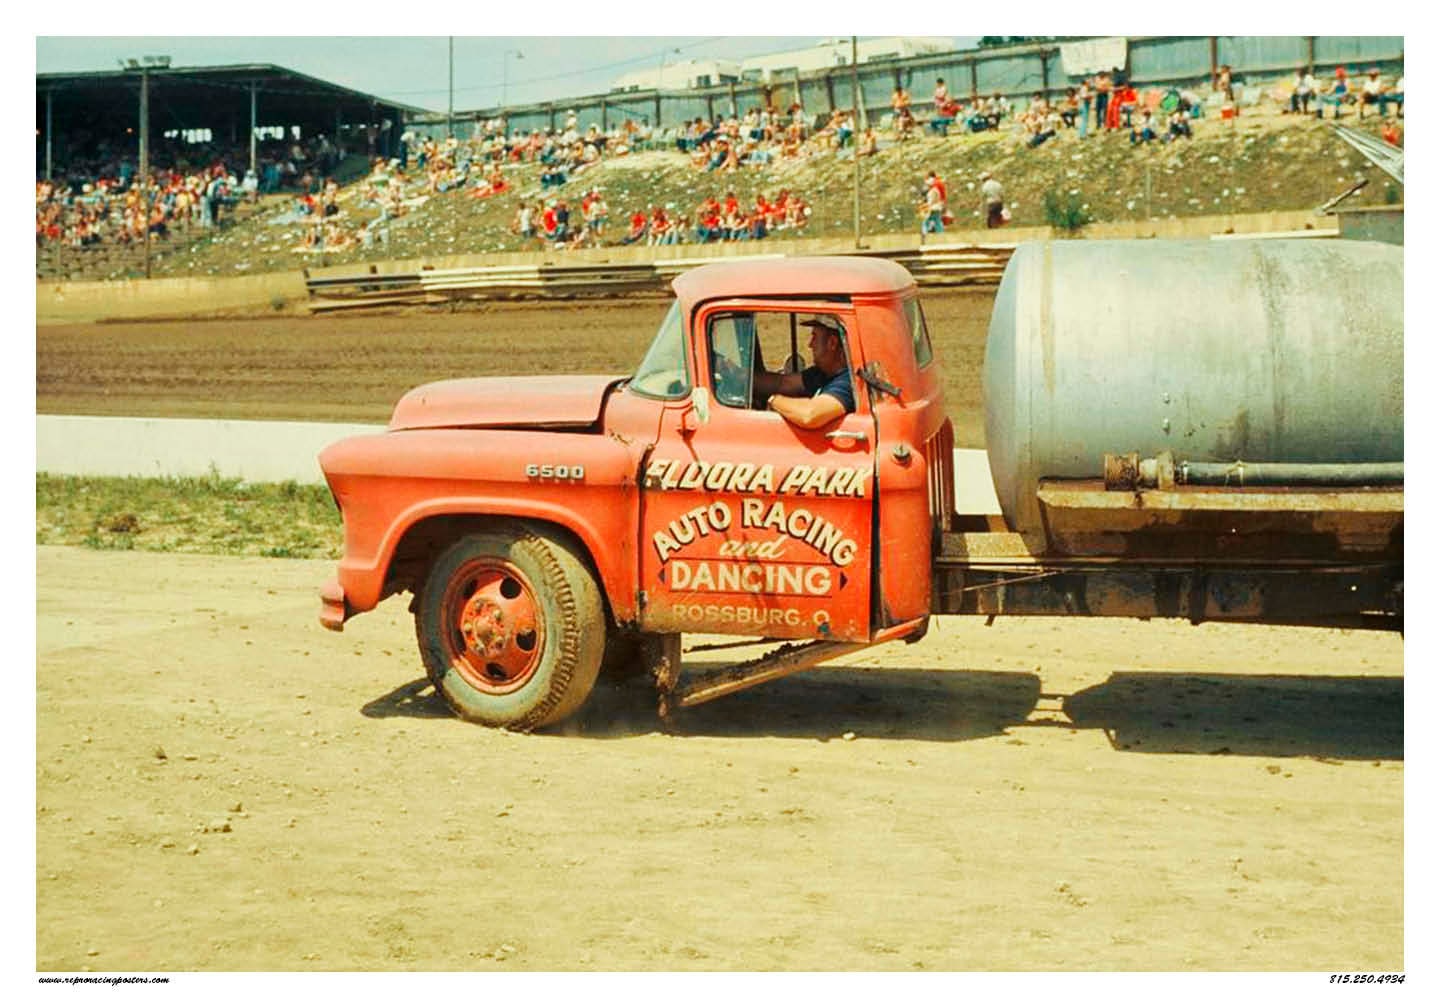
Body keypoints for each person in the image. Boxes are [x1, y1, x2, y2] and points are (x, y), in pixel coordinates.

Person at [750, 316, 855, 430]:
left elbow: (810, 415)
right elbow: (784, 383)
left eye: (814, 337)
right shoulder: (821, 373)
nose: (810, 344)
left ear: (832, 343)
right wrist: (742, 378)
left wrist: (773, 400)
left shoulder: (849, 382)